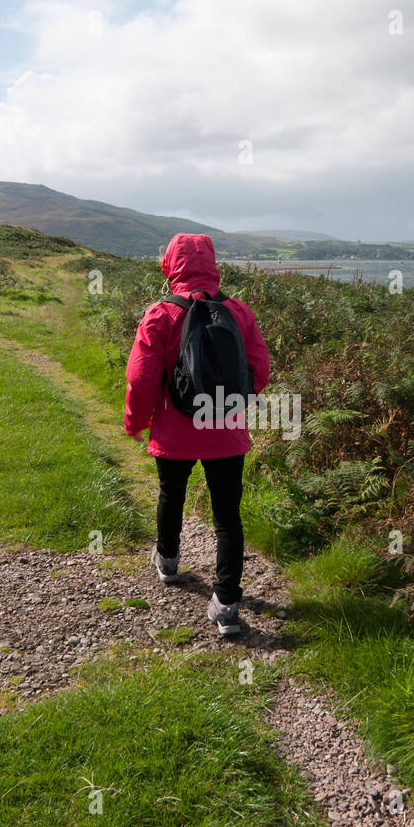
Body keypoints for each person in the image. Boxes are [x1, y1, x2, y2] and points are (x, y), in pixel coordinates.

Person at [123, 233, 270, 635]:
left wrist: (136, 421)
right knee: (227, 517)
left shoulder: (161, 313)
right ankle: (226, 604)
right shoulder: (238, 311)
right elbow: (259, 368)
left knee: (172, 494)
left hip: (175, 432)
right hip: (225, 430)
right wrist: (234, 403)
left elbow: (142, 376)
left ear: (171, 264)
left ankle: (168, 561)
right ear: (212, 264)